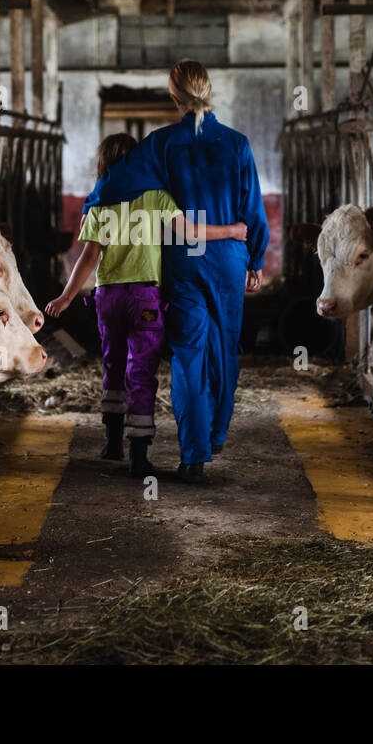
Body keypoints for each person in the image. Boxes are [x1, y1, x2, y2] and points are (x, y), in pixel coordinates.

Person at [80, 60, 269, 484]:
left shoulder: (161, 144)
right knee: (225, 346)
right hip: (227, 256)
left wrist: (93, 202)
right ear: (209, 90)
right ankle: (216, 432)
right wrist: (255, 256)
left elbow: (115, 183)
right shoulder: (237, 144)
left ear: (173, 95)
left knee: (188, 354)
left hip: (183, 258)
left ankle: (194, 454)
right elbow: (252, 207)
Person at [46, 133, 246, 478]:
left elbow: (89, 255)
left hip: (107, 296)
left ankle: (111, 442)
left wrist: (66, 296)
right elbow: (189, 232)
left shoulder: (98, 202)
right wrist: (232, 230)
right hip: (145, 298)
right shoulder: (155, 197)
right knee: (140, 371)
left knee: (112, 364)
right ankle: (138, 455)